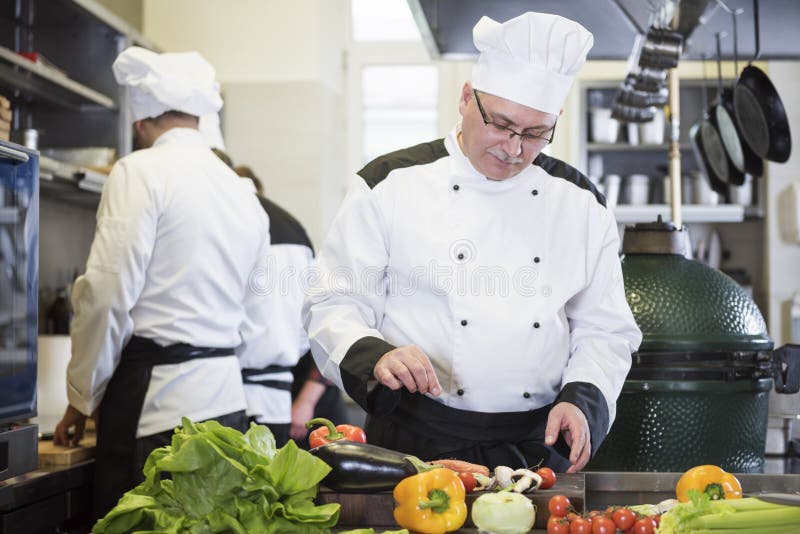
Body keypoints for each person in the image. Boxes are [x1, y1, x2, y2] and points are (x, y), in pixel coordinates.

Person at [302, 12, 642, 473]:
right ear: (466, 98)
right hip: (414, 440)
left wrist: (584, 399)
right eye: (501, 124)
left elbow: (605, 328)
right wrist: (376, 356)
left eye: (536, 132)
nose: (514, 147)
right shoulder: (389, 184)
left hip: (535, 445)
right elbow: (332, 301)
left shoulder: (580, 203)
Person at [53, 46, 271, 519]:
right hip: (228, 407)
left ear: (140, 122)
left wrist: (80, 396)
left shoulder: (140, 171)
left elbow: (106, 294)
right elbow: (258, 317)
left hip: (157, 410)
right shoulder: (242, 192)